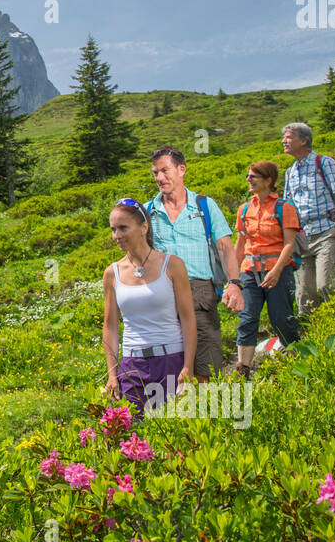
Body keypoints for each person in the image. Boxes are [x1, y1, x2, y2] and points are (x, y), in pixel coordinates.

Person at [145, 146, 242, 380]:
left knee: (206, 363)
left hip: (200, 291)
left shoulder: (205, 206)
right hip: (162, 294)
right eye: (155, 173)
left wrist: (235, 284)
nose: (159, 178)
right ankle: (171, 411)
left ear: (181, 170)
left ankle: (207, 412)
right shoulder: (148, 211)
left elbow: (225, 247)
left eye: (165, 171)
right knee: (166, 363)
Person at [104, 199, 198, 414]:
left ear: (144, 227)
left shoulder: (172, 265)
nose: (116, 236)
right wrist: (112, 373)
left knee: (176, 433)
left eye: (123, 228)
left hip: (171, 361)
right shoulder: (112, 273)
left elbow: (187, 318)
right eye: (113, 229)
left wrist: (188, 366)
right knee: (135, 435)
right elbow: (110, 327)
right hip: (131, 365)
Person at [280, 123, 335, 317]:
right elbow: (288, 208)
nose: (284, 142)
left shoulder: (324, 163)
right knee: (305, 296)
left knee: (328, 285)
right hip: (302, 238)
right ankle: (313, 337)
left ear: (303, 140)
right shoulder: (290, 173)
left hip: (326, 232)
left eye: (288, 137)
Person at [233, 161, 301, 369]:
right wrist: (233, 279)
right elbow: (241, 244)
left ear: (269, 180)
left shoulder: (284, 208)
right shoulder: (244, 209)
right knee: (247, 318)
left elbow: (289, 243)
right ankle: (243, 368)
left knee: (282, 319)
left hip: (278, 271)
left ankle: (295, 361)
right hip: (250, 271)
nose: (248, 179)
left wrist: (277, 270)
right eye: (248, 175)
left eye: (254, 176)